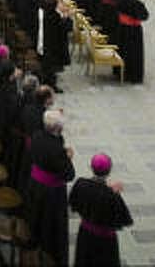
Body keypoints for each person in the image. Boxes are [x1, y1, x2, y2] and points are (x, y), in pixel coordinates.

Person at [28, 110, 75, 267]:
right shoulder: (56, 150)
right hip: (51, 194)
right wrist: (68, 158)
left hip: (35, 185)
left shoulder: (36, 136)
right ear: (58, 128)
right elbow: (69, 175)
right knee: (50, 225)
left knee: (36, 217)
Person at [68, 154, 132, 267]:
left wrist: (109, 190)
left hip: (85, 233)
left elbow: (73, 202)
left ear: (91, 168)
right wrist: (113, 192)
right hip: (105, 240)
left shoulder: (80, 184)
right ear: (109, 171)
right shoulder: (111, 196)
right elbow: (123, 220)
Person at [112, 0, 149, 84]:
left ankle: (119, 72)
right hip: (134, 31)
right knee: (134, 53)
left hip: (122, 28)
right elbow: (145, 16)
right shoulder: (138, 4)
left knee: (122, 50)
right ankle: (133, 75)